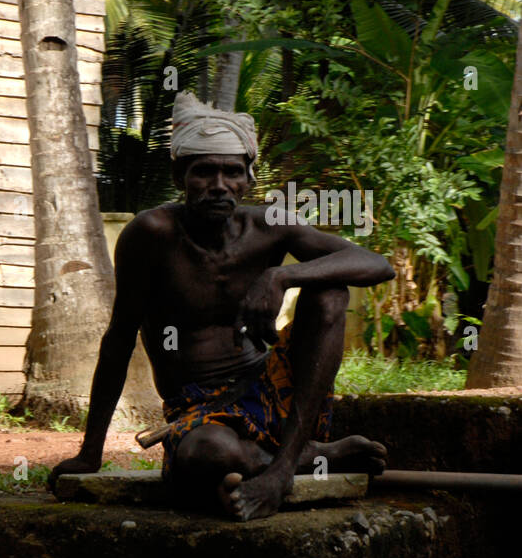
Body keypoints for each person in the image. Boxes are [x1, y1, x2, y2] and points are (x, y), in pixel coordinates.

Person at [49, 92, 391, 521]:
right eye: (203, 172)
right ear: (180, 175)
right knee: (208, 453)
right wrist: (89, 453)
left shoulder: (269, 225)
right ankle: (307, 456)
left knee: (330, 293)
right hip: (197, 409)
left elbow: (377, 263)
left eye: (232, 172)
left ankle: (282, 468)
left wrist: (280, 276)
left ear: (248, 177)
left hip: (272, 395)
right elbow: (119, 340)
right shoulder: (151, 234)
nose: (219, 185)